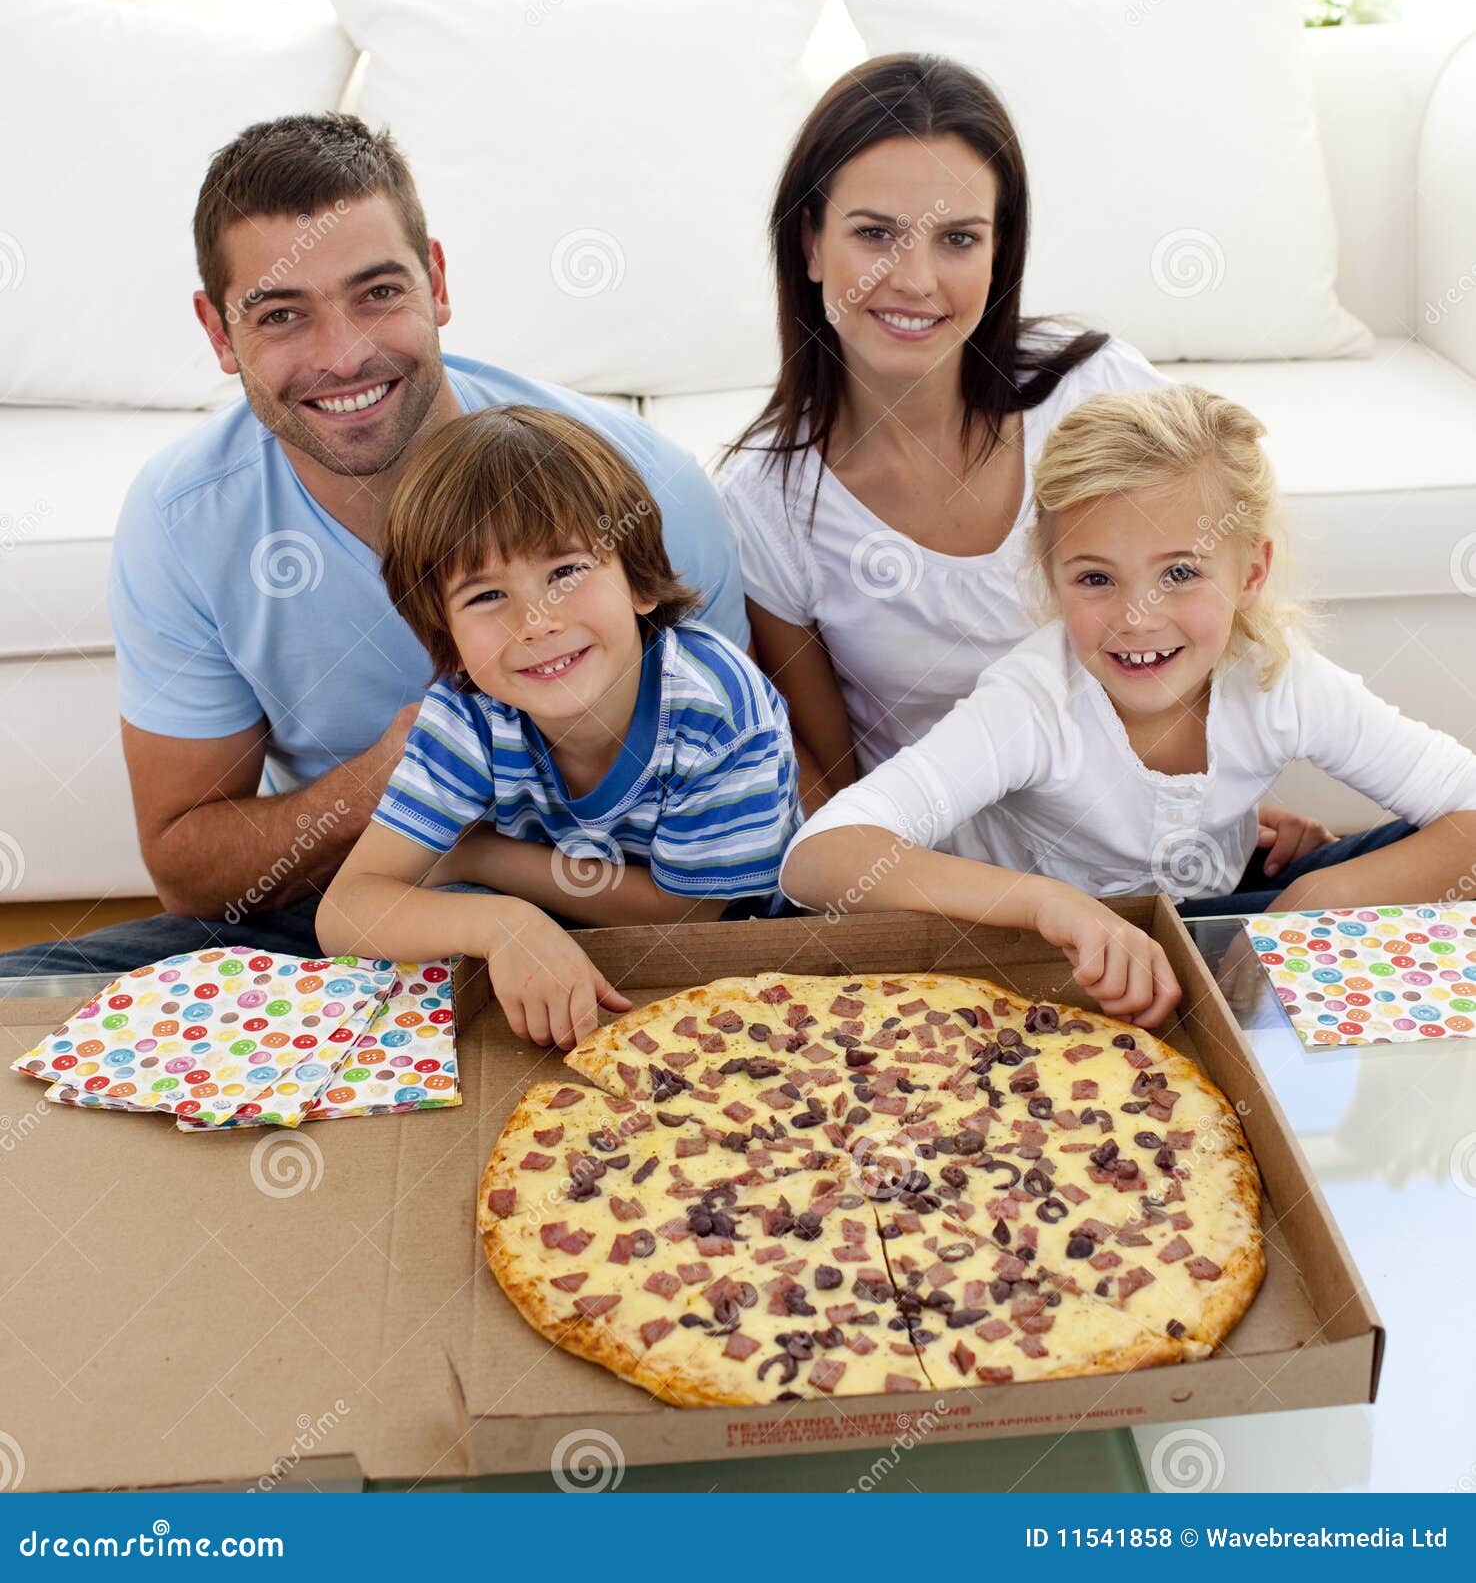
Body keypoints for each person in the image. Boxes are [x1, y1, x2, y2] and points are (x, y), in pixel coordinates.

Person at [0, 114, 748, 979]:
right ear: (217, 333)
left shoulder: (639, 483)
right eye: (282, 315)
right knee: (25, 997)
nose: (345, 355)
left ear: (435, 281)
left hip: (621, 912)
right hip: (357, 910)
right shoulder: (182, 520)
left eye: (378, 293)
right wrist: (390, 777)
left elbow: (727, 797)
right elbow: (187, 870)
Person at [717, 52, 1328, 880]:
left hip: (1153, 864)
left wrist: (1211, 802)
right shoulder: (768, 502)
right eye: (874, 234)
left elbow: (1216, 611)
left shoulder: (1095, 391)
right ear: (810, 244)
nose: (917, 279)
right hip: (966, 896)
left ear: (1000, 252)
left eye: (958, 238)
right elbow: (829, 777)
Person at [778, 385, 1476, 1030]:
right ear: (1052, 578)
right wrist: (1048, 903)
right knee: (792, 917)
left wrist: (1315, 903)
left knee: (1393, 860)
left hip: (1206, 914)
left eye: (1180, 572)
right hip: (1039, 953)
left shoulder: (1278, 677)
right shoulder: (1035, 699)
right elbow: (818, 857)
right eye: (1095, 579)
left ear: (1250, 574)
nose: (1138, 618)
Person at [316, 405, 801, 1049]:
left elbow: (686, 916)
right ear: (449, 637)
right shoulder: (468, 713)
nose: (535, 621)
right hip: (552, 945)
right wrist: (501, 925)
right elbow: (345, 912)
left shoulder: (716, 710)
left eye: (566, 572)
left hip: (735, 963)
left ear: (638, 578)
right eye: (486, 596)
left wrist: (477, 853)